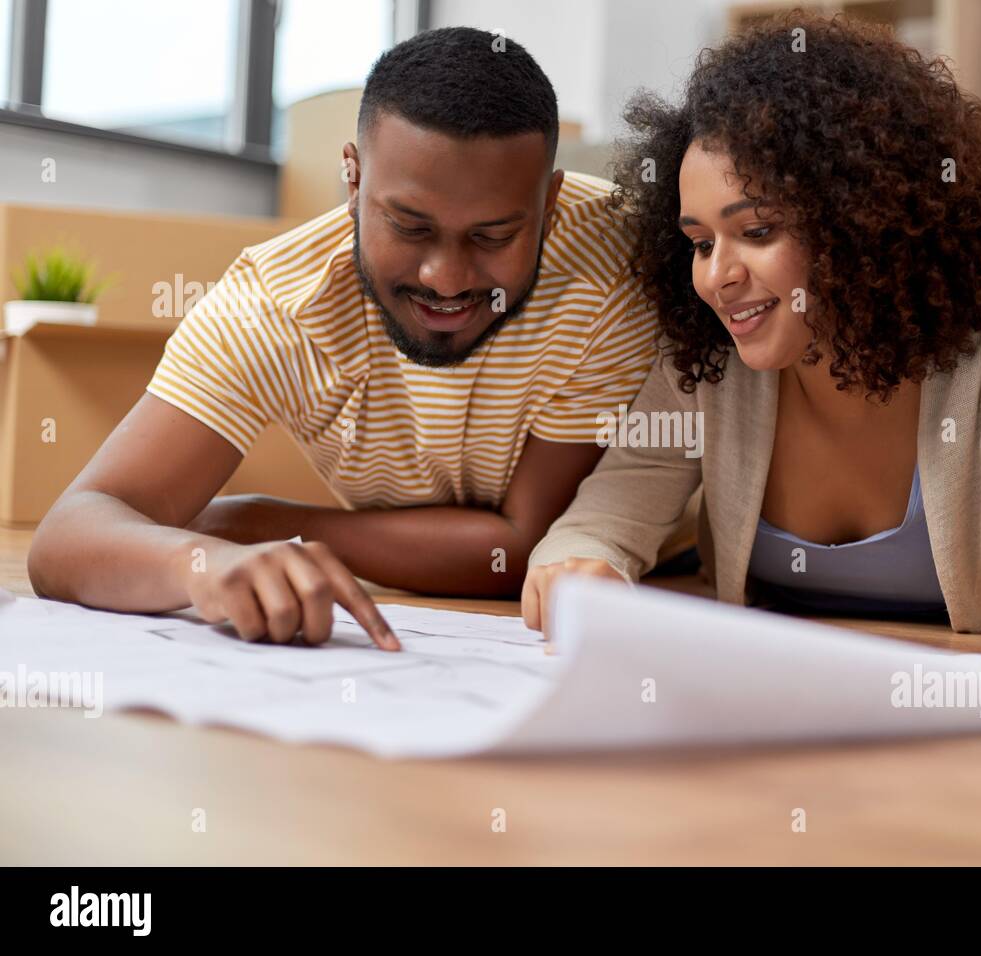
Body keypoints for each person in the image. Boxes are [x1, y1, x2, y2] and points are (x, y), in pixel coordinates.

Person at [523, 16, 981, 722]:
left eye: (757, 232)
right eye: (700, 242)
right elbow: (604, 518)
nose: (717, 276)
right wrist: (580, 570)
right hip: (766, 720)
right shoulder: (707, 366)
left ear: (861, 218)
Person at [28, 27, 657, 649]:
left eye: (492, 237)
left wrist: (259, 522)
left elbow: (525, 547)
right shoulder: (270, 307)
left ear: (551, 204)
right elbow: (66, 537)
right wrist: (200, 562)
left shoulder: (613, 261)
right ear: (352, 180)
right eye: (410, 227)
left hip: (663, 580)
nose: (446, 277)